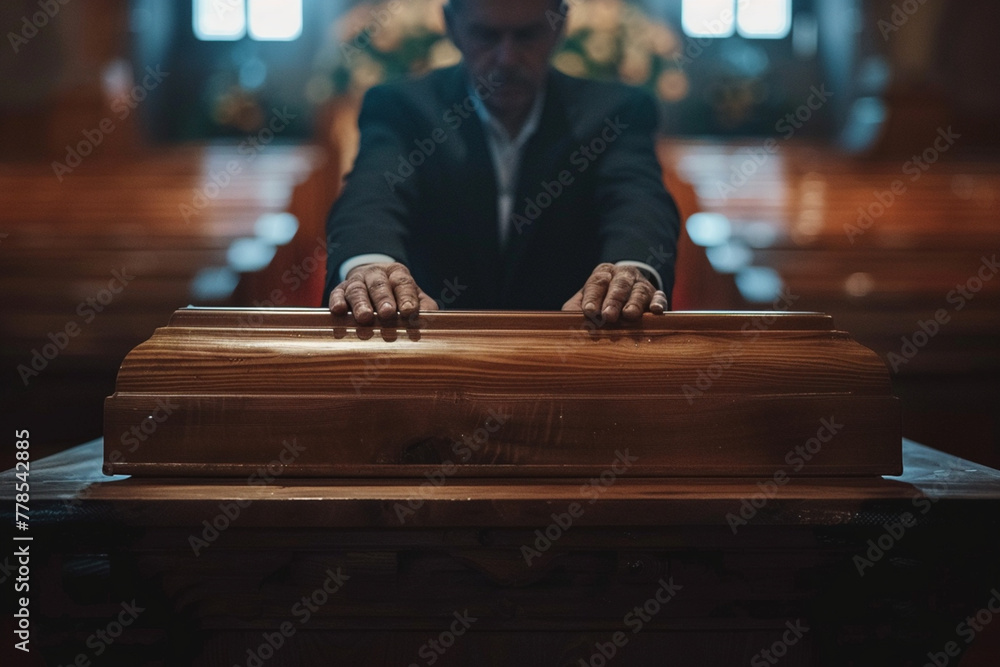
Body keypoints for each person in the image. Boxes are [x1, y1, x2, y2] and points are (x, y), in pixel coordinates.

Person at [325, 0, 680, 325]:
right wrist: (372, 267)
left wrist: (630, 270)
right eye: (486, 35)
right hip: (430, 349)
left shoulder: (618, 112)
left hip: (577, 350)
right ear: (451, 26)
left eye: (527, 35)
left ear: (559, 26)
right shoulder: (399, 108)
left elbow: (640, 202)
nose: (506, 59)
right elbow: (370, 197)